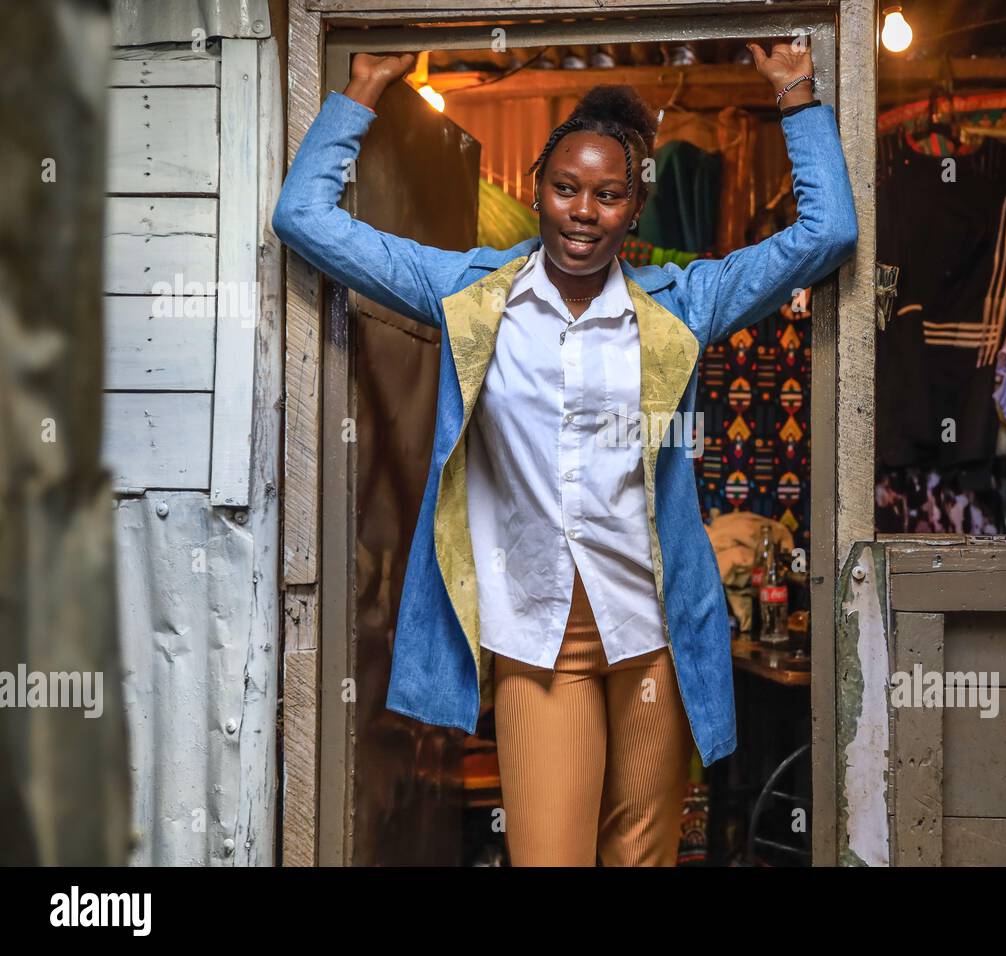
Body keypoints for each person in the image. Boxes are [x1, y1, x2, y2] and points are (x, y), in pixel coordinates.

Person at [272, 39, 857, 866]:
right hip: (538, 636)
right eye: (567, 189)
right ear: (537, 192)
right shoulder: (472, 296)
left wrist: (796, 92)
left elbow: (829, 232)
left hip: (653, 628)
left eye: (609, 194)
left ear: (633, 208)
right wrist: (362, 91)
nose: (585, 211)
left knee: (643, 855)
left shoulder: (683, 305)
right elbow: (303, 220)